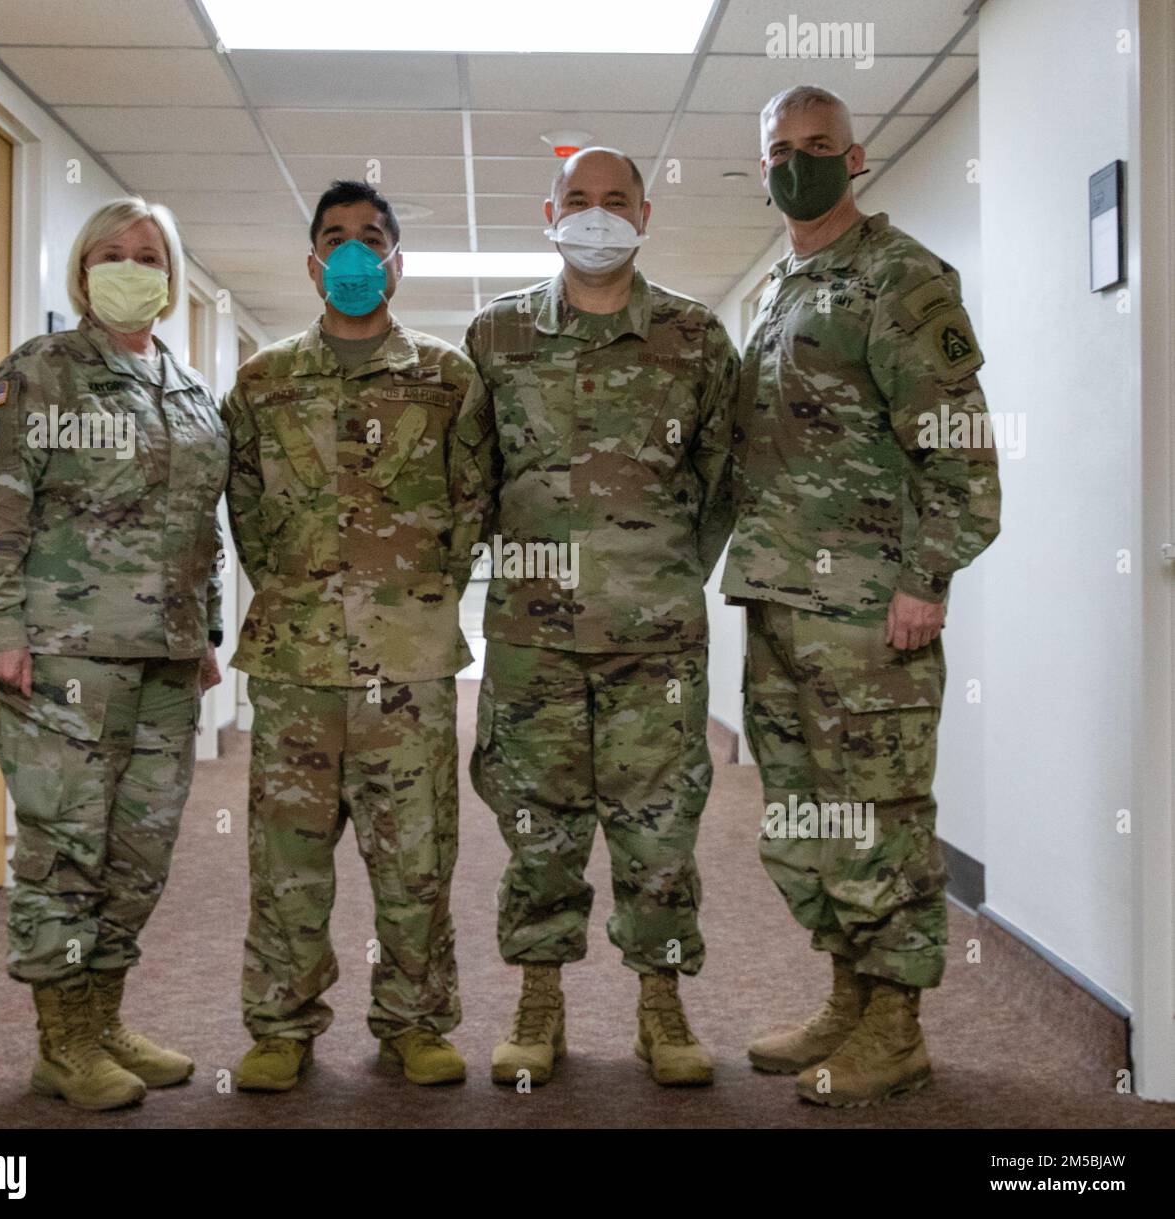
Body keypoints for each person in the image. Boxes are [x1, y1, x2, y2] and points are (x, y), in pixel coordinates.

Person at [724, 86, 1002, 1106]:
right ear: (762, 165)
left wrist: (925, 581)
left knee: (875, 817)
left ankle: (898, 1028)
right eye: (779, 148)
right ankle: (847, 995)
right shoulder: (783, 288)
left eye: (816, 146)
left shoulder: (900, 279)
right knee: (805, 818)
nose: (796, 162)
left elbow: (961, 453)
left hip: (866, 612)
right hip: (780, 600)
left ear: (856, 157)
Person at [455, 147, 741, 1088]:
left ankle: (663, 1007)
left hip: (655, 642)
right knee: (539, 829)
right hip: (532, 640)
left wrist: (655, 572)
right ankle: (540, 1004)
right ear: (550, 210)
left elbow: (722, 482)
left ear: (645, 215)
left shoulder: (696, 340)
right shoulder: (494, 339)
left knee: (659, 831)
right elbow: (470, 482)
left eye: (615, 200)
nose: (597, 214)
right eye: (579, 200)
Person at [0, 196, 228, 1111]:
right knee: (66, 848)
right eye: (111, 252)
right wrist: (0, 630)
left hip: (165, 661)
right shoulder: (40, 371)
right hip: (65, 656)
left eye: (148, 253)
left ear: (169, 274)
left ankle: (104, 1015)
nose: (131, 264)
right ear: (81, 269)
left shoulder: (186, 388)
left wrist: (208, 631)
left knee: (139, 854)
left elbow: (202, 527)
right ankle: (61, 1041)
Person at [222, 180, 487, 1091]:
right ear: (310, 262)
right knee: (287, 860)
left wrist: (406, 602)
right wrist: (309, 597)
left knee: (415, 859)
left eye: (370, 237)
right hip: (296, 667)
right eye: (334, 237)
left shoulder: (449, 378)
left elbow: (472, 505)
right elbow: (248, 515)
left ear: (396, 261)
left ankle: (413, 1021)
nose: (352, 252)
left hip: (407, 669)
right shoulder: (262, 380)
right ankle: (281, 1025)